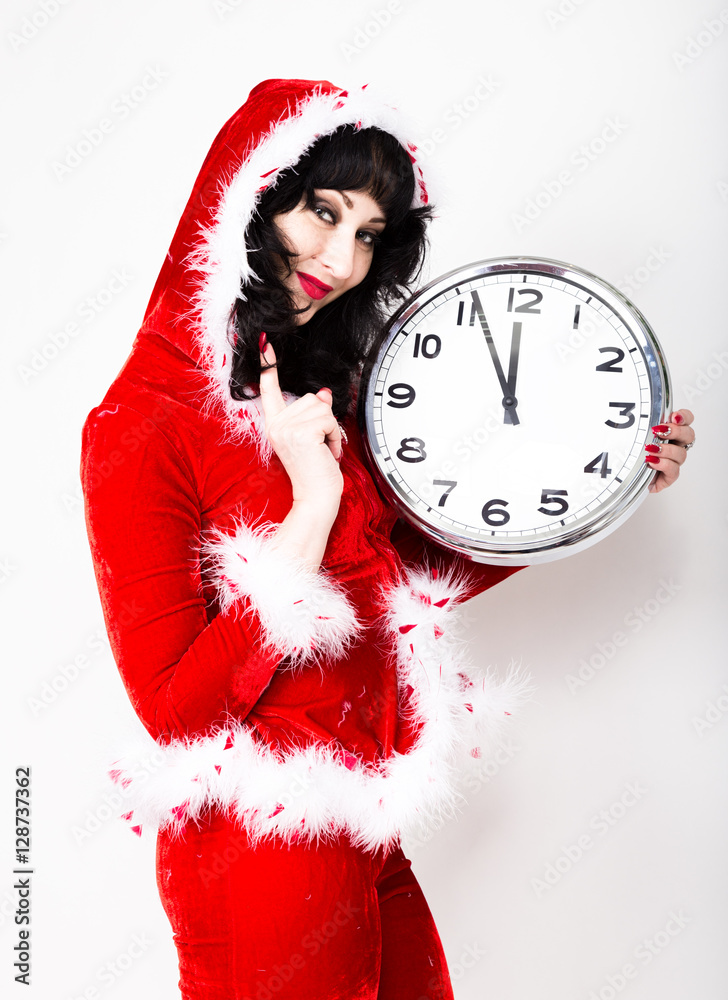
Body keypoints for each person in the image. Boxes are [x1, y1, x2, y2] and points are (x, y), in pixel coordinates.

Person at [80, 78, 695, 1000]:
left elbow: (398, 572)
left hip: (363, 825)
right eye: (322, 212)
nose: (341, 258)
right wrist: (309, 511)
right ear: (248, 202)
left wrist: (609, 475)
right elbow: (175, 711)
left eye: (369, 234)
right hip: (257, 846)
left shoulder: (311, 391)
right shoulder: (142, 423)